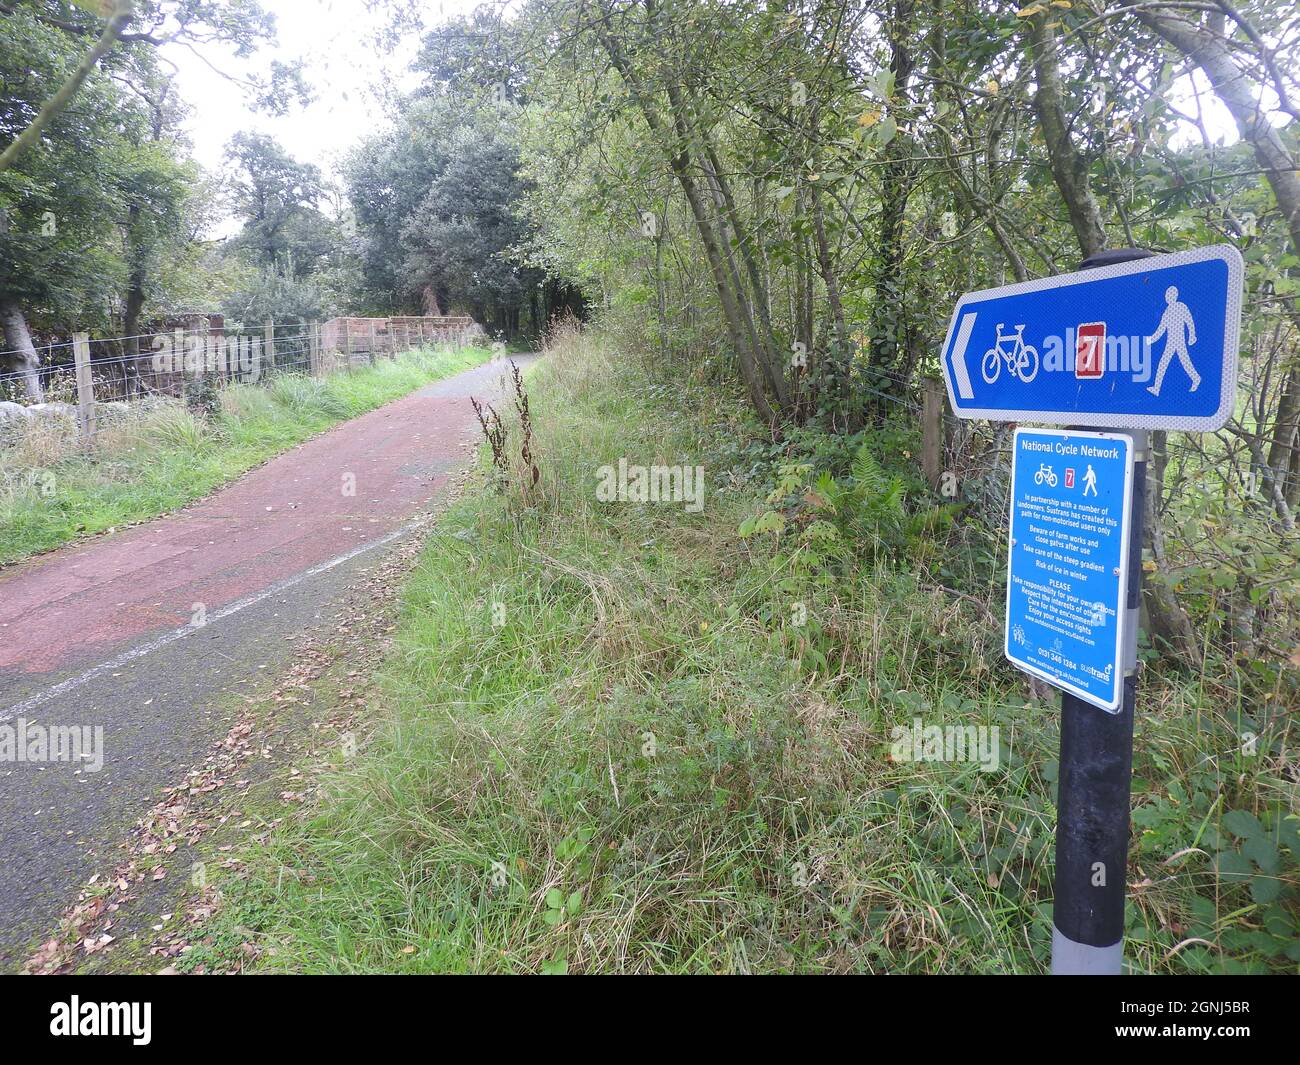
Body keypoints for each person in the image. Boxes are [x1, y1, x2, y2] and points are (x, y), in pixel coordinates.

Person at [1146, 285, 1200, 397]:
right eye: (1166, 295)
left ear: (1174, 295)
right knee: (1165, 363)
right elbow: (1161, 329)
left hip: (1179, 341)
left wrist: (1192, 335)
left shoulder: (1181, 306)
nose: (1166, 297)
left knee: (1183, 362)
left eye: (1168, 294)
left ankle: (1196, 378)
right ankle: (1156, 388)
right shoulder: (1167, 311)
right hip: (1171, 342)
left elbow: (1189, 320)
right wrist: (1150, 340)